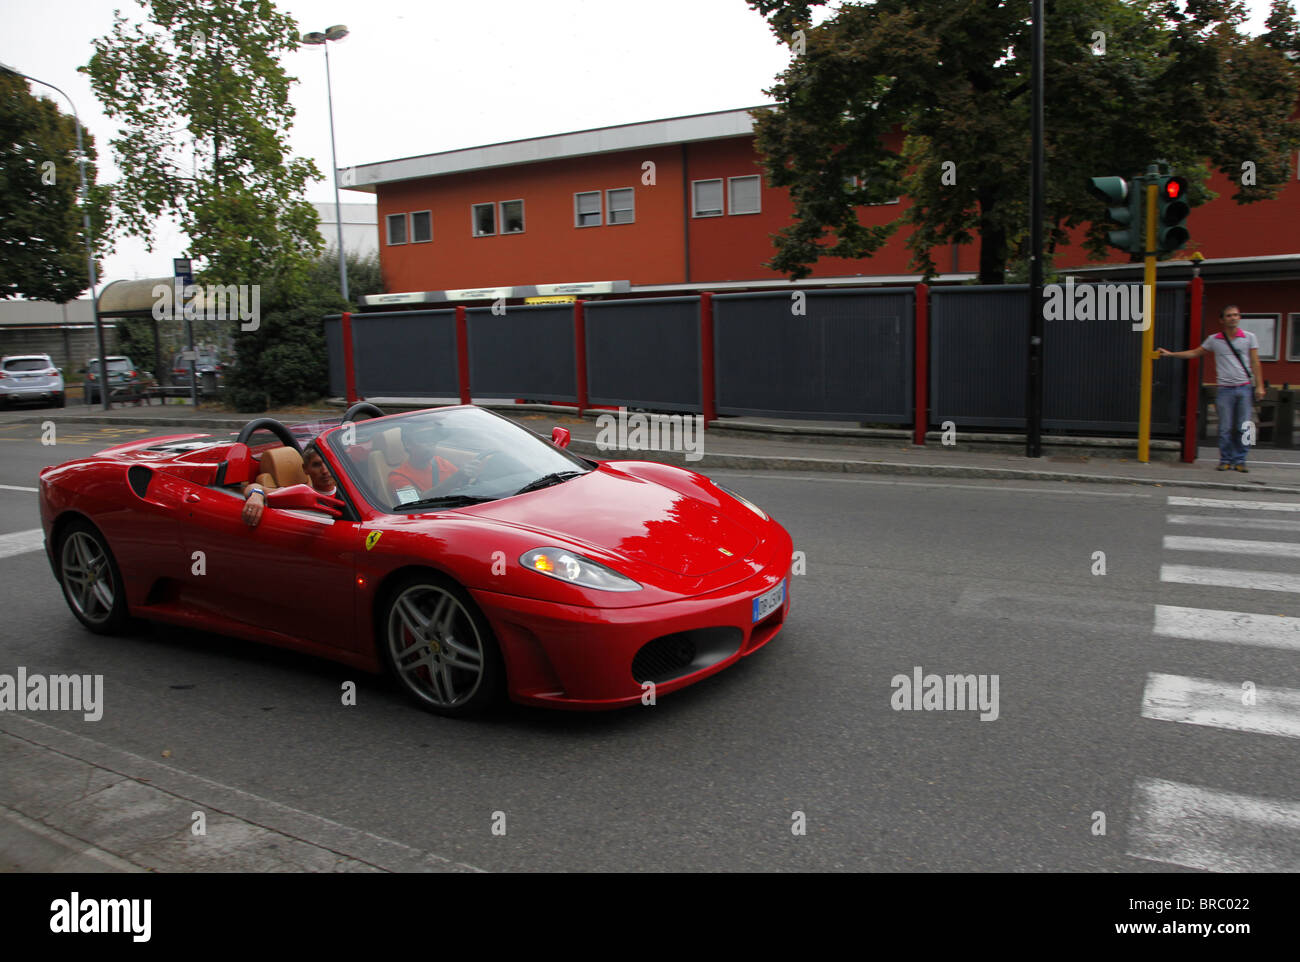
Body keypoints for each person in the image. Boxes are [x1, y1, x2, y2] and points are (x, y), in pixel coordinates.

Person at [1158, 304, 1265, 472]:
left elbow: (1255, 362)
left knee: (1245, 426)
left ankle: (1241, 460)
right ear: (1222, 320)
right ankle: (1225, 460)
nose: (1233, 318)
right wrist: (1171, 354)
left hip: (1244, 387)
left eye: (1236, 315)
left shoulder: (1250, 337)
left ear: (1239, 318)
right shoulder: (1214, 339)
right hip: (1225, 389)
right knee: (1225, 427)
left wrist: (1259, 386)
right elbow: (1195, 353)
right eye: (1229, 315)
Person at [242, 441, 338, 527]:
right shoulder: (298, 494)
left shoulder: (351, 490)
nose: (325, 471)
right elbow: (254, 487)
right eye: (316, 465)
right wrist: (256, 495)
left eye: (328, 463)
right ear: (305, 469)